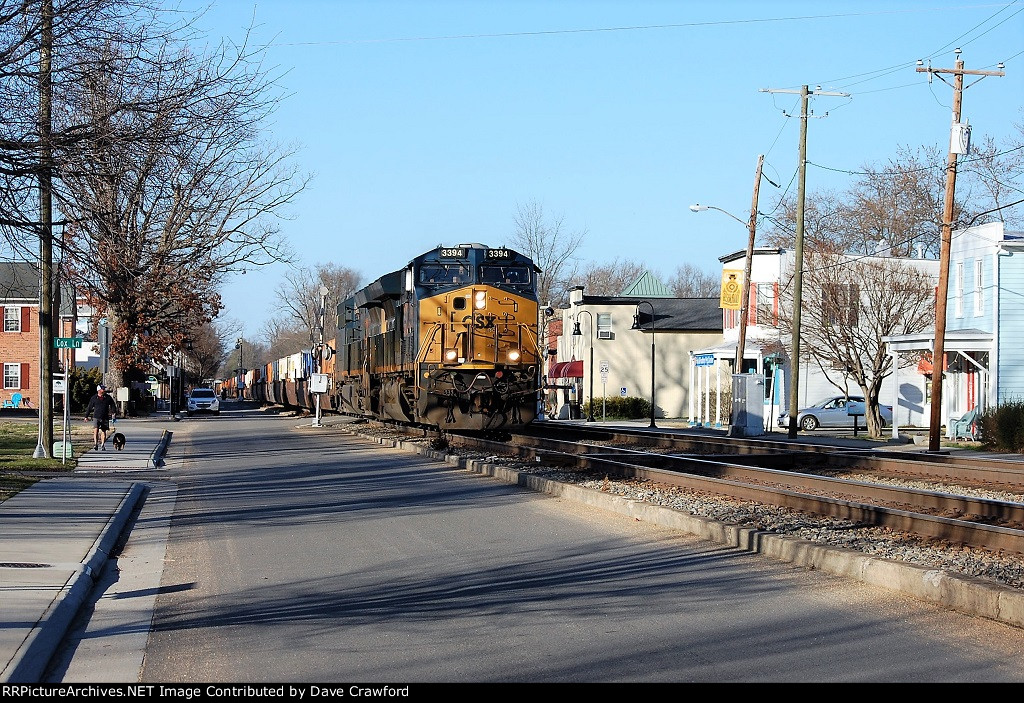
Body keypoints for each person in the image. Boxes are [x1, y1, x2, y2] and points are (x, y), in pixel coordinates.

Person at [84, 384, 118, 451]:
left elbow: (113, 405)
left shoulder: (108, 398)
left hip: (105, 417)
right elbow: (89, 407)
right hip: (96, 416)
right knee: (95, 430)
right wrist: (86, 416)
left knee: (103, 431)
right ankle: (96, 444)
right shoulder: (94, 398)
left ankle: (102, 444)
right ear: (99, 390)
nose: (104, 390)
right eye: (103, 389)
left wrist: (113, 413)